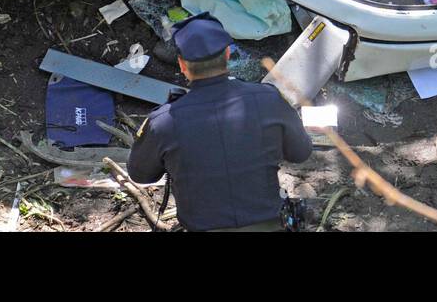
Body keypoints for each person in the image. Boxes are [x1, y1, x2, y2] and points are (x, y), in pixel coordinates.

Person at [127, 13, 313, 231]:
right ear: (227, 54)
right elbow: (301, 152)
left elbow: (140, 174)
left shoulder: (164, 121)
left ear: (182, 65)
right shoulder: (268, 99)